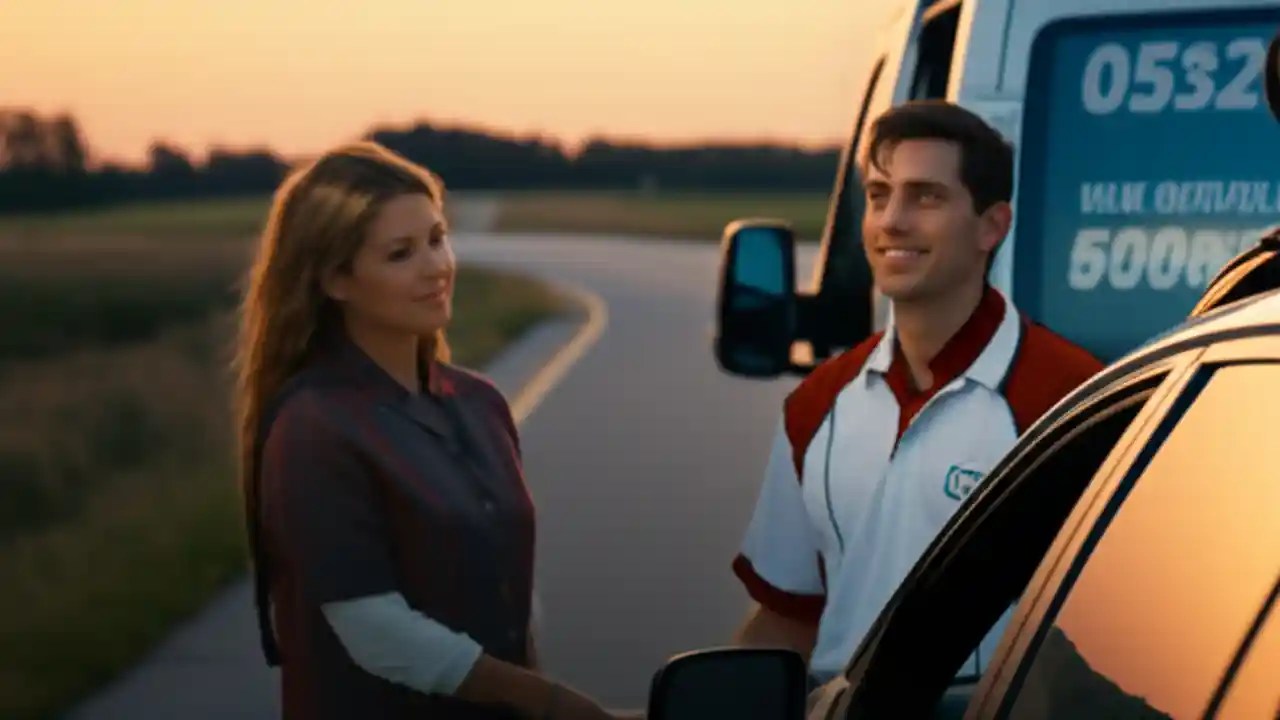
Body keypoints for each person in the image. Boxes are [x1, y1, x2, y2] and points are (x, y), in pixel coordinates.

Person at [232, 141, 625, 719]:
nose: (436, 267)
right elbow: (377, 633)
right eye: (400, 254)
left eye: (438, 240)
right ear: (335, 279)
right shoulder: (314, 429)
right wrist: (551, 702)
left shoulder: (480, 404)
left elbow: (508, 593)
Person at [729, 101, 1105, 687]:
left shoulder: (1070, 399)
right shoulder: (816, 403)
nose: (892, 222)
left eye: (926, 197)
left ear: (993, 226)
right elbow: (788, 618)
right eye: (879, 196)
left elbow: (1106, 636)